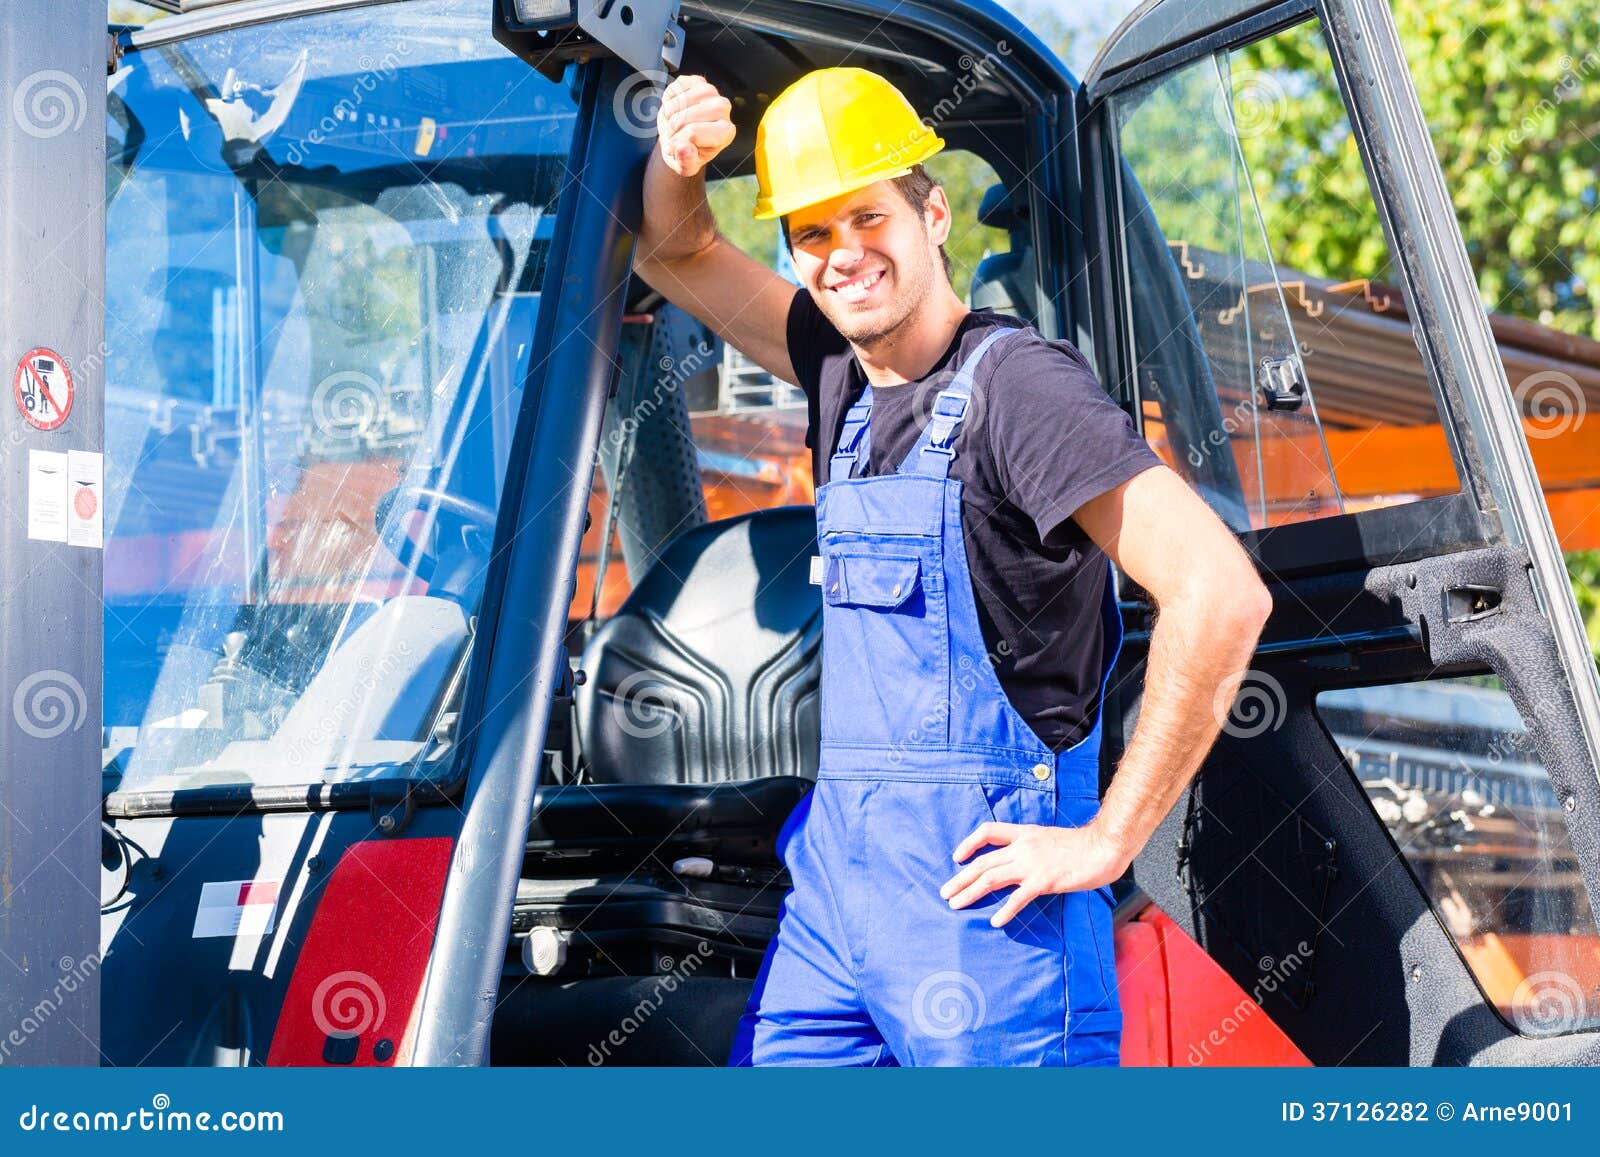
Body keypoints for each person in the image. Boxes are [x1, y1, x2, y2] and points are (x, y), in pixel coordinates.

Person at [634, 66, 1272, 1066]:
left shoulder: (1020, 391)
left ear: (932, 215)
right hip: (839, 900)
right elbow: (677, 251)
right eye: (811, 232)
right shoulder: (835, 365)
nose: (844, 254)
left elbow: (1220, 591)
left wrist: (1108, 838)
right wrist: (677, 163)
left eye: (867, 217)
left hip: (986, 920)